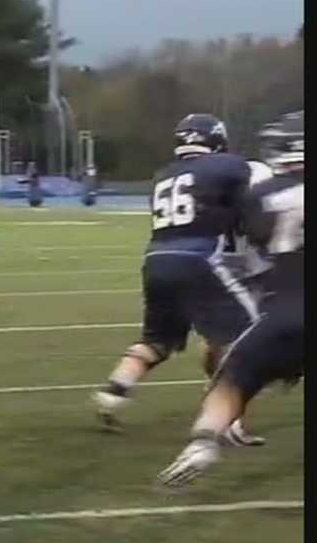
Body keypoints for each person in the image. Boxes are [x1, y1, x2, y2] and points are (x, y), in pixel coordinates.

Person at [93, 114, 264, 446]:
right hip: (200, 259)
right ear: (215, 140)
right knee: (250, 337)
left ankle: (114, 391)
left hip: (155, 259)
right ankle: (229, 418)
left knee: (157, 340)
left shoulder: (163, 174)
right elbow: (254, 200)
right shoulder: (228, 166)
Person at [158, 112, 304, 487]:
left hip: (284, 311)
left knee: (231, 379)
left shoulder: (261, 196)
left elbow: (254, 247)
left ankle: (204, 443)